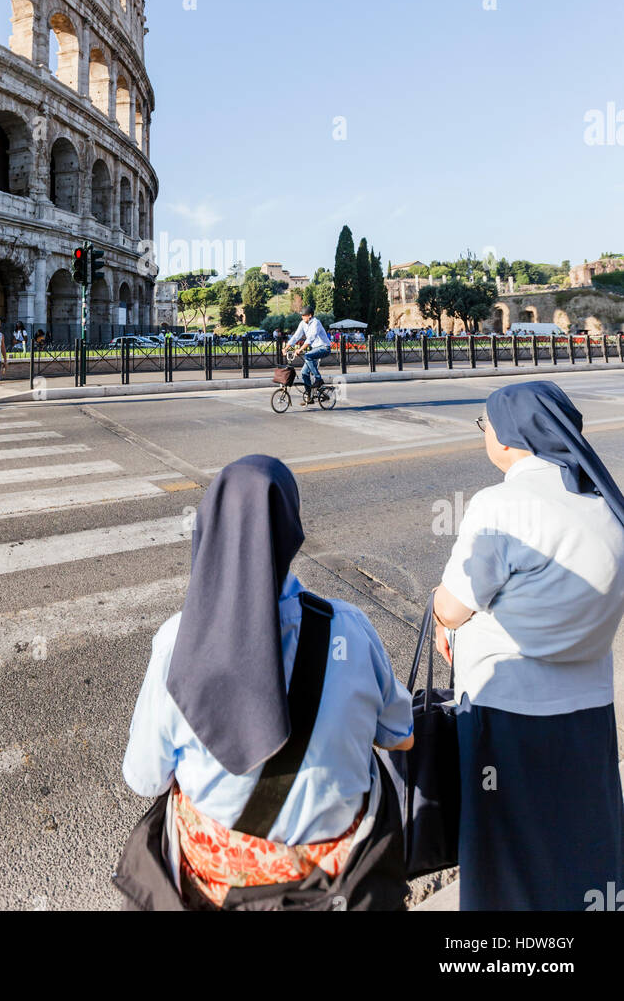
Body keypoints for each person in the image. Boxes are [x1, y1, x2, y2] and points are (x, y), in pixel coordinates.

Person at [120, 455, 414, 910]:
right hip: (335, 887)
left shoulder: (176, 643)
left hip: (212, 888)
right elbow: (400, 737)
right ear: (292, 534)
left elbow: (144, 779)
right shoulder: (351, 630)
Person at [433, 379, 624, 911]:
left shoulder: (502, 504)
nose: (485, 435)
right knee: (577, 840)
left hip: (509, 712)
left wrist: (437, 605)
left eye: (485, 426)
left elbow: (451, 607)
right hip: (588, 709)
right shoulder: (605, 502)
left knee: (507, 853)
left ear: (512, 438)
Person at [286, 306, 332, 405]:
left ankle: (318, 379)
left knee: (307, 356)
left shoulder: (316, 323)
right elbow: (296, 336)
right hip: (315, 349)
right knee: (304, 372)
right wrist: (286, 347)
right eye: (302, 315)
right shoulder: (303, 324)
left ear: (310, 316)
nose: (302, 317)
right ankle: (309, 397)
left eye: (304, 315)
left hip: (324, 348)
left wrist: (300, 349)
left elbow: (310, 338)